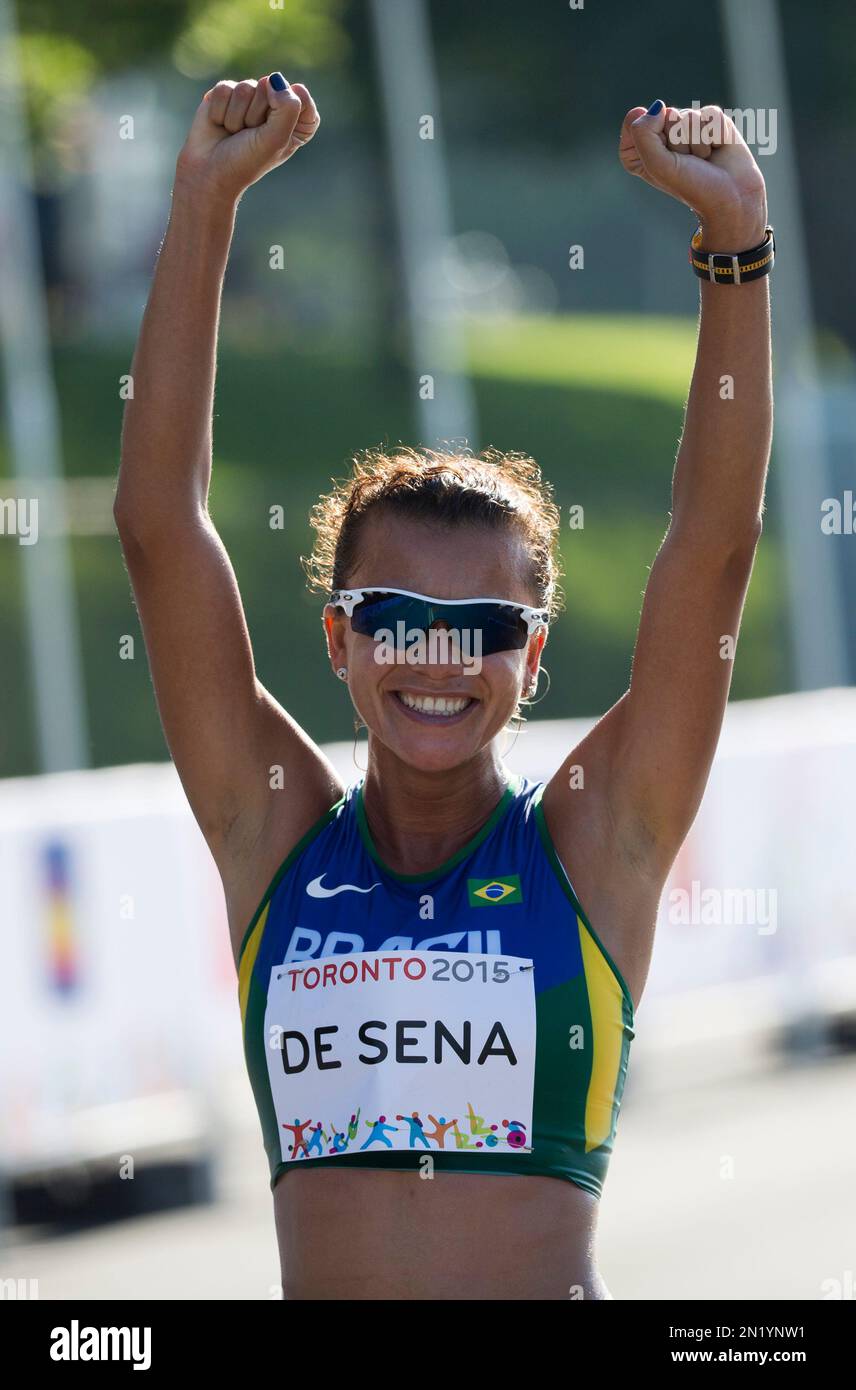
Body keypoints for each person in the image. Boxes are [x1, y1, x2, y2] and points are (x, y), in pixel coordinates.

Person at [115, 76, 773, 1300]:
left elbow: (711, 549)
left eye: (480, 624)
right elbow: (159, 527)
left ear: (532, 656)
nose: (434, 653)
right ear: (336, 639)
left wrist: (734, 246)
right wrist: (204, 202)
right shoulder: (271, 832)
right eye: (395, 619)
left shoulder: (596, 841)